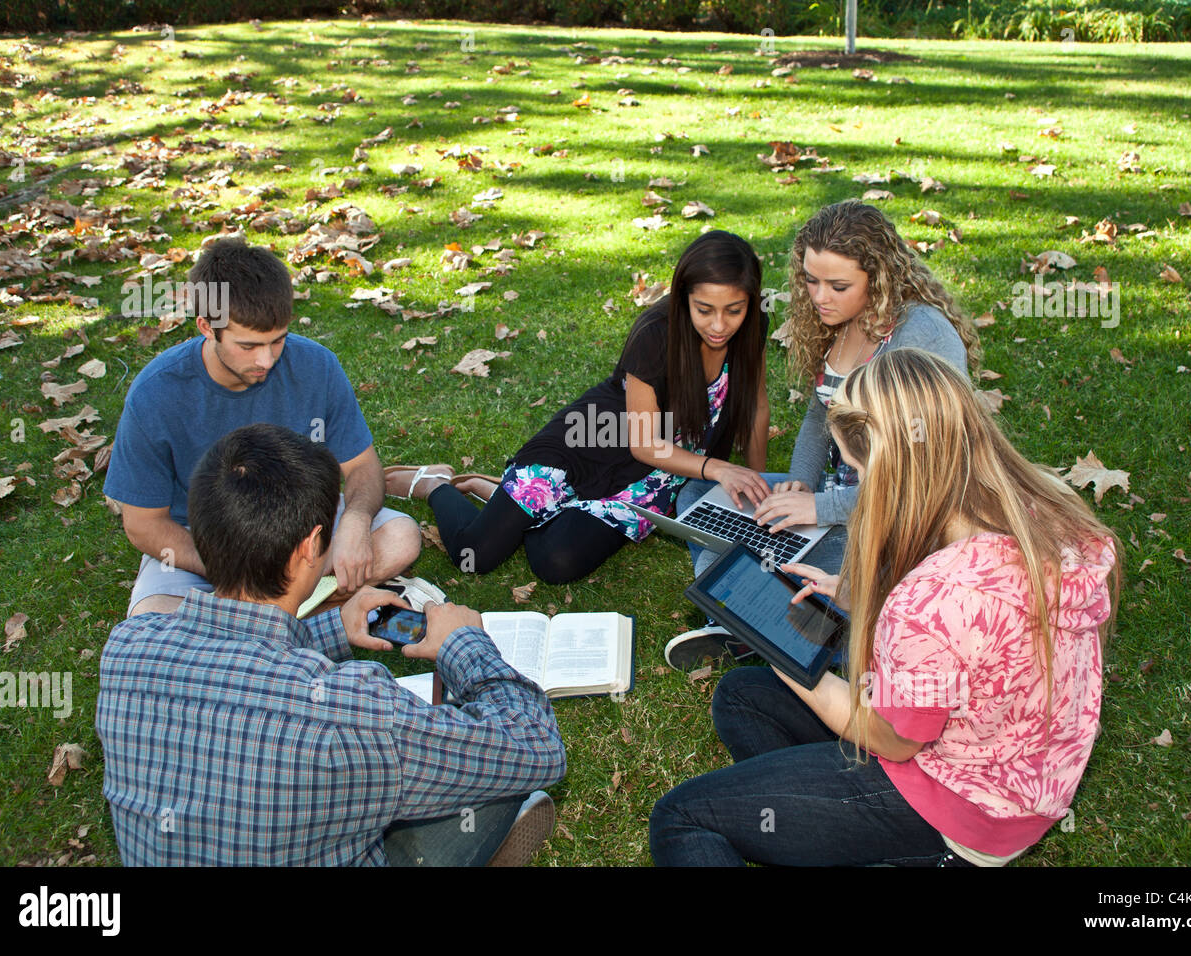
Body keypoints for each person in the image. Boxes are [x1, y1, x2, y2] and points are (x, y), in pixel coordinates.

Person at [649, 349, 1120, 866]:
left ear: (891, 471)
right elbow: (979, 638)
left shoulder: (930, 601)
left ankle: (886, 843)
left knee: (681, 817)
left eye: (855, 473)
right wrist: (860, 597)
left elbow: (892, 741)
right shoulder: (1047, 514)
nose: (857, 490)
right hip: (1023, 779)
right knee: (742, 696)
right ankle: (825, 832)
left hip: (955, 811)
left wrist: (782, 655)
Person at [96, 423, 567, 866]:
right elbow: (539, 747)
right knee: (484, 786)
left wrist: (335, 629)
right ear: (310, 546)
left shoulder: (128, 646)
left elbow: (241, 673)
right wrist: (464, 644)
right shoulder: (353, 710)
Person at [664, 199, 982, 669]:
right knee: (705, 491)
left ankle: (774, 620)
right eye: (811, 280)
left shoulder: (923, 339)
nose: (819, 297)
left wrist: (819, 507)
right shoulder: (840, 320)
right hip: (838, 494)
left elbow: (928, 478)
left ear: (880, 277)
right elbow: (819, 413)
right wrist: (800, 481)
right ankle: (757, 609)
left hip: (899, 516)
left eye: (838, 285)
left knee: (828, 563)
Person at [386, 230, 771, 585]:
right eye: (704, 309)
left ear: (750, 301)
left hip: (657, 475)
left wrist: (755, 483)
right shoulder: (655, 333)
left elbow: (755, 407)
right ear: (683, 294)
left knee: (555, 562)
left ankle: (512, 501)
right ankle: (435, 485)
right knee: (476, 553)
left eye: (733, 310)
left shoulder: (753, 326)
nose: (720, 324)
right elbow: (643, 444)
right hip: (592, 441)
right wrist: (718, 468)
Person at [103, 237, 419, 617]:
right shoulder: (155, 393)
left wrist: (354, 520)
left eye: (278, 340)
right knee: (149, 620)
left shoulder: (317, 365)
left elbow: (362, 467)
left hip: (305, 527)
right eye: (249, 345)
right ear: (207, 326)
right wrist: (234, 575)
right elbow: (143, 524)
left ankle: (251, 623)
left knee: (401, 538)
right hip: (206, 544)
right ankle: (304, 614)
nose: (267, 360)